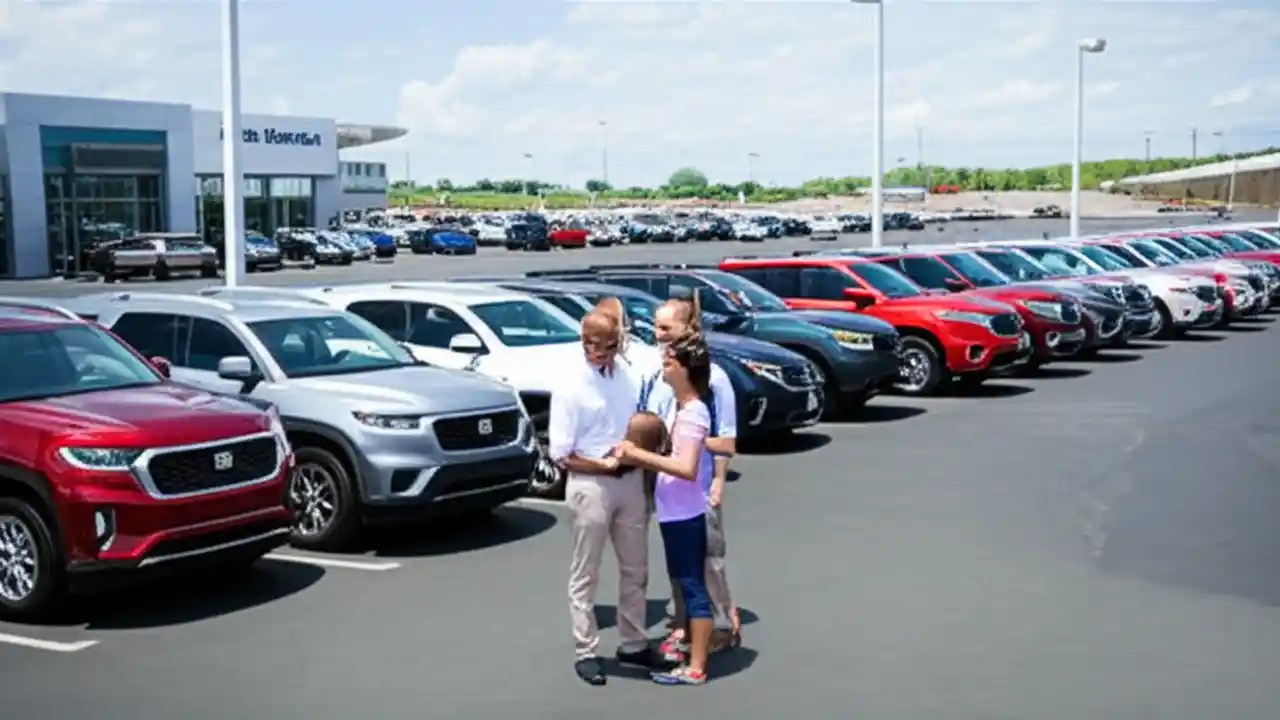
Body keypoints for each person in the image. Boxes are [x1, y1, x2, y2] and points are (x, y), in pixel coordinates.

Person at [547, 309, 662, 686]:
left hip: (629, 480)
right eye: (589, 344)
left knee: (636, 569)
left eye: (607, 346)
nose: (597, 352)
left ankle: (633, 642)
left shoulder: (625, 377)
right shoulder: (570, 384)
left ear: (619, 343)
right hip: (590, 483)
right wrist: (603, 465)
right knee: (586, 572)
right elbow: (561, 453)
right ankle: (586, 651)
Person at [613, 331, 716, 686]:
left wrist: (637, 454)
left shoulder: (691, 415)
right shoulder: (685, 409)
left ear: (686, 369)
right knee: (687, 584)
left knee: (692, 587)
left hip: (685, 516)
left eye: (671, 362)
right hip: (677, 515)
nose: (665, 365)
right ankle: (692, 654)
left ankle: (697, 667)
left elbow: (686, 468)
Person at [641, 296, 741, 656]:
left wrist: (717, 481)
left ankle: (721, 626)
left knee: (710, 562)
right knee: (680, 566)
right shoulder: (658, 376)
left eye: (667, 328)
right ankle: (684, 624)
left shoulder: (714, 379)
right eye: (656, 327)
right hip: (669, 489)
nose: (659, 335)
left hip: (698, 489)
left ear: (690, 329)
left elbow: (727, 437)